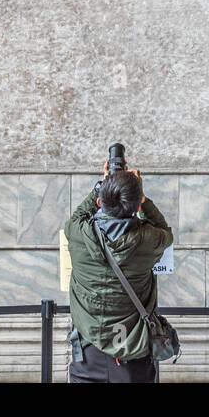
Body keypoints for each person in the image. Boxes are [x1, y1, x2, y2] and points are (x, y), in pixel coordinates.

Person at [65, 156, 173, 382]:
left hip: (87, 352)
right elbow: (165, 232)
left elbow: (77, 216)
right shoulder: (147, 240)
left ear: (100, 203)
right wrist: (142, 199)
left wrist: (101, 187)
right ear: (136, 206)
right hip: (133, 354)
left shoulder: (77, 234)